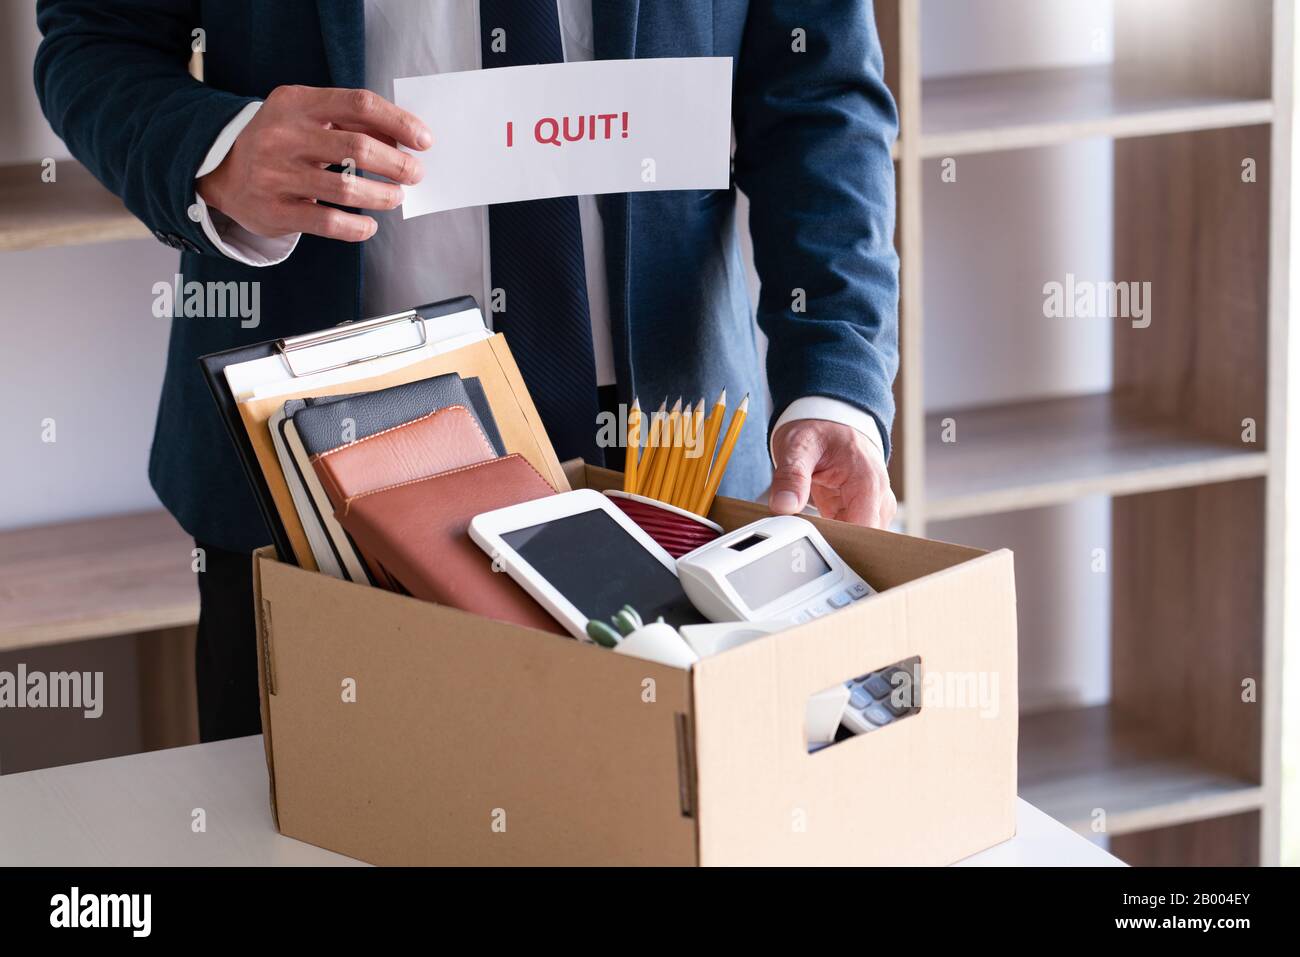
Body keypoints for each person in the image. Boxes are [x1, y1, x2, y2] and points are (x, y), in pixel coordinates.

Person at [35, 0, 900, 742]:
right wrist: (219, 152)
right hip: (314, 471)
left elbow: (818, 96)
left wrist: (835, 380)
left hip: (675, 473)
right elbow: (95, 37)